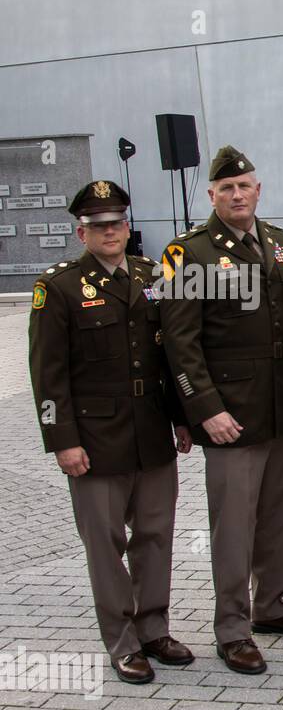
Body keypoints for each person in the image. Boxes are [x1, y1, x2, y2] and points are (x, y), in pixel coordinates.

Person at [161, 145, 283, 675]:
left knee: (278, 518)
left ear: (259, 190)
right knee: (232, 527)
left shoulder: (281, 244)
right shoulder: (188, 254)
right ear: (212, 195)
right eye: (226, 188)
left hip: (281, 408)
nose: (237, 194)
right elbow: (179, 341)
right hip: (229, 414)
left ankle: (271, 606)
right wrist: (203, 408)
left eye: (245, 186)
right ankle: (231, 628)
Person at [28, 180, 193, 683]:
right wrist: (63, 442)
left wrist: (182, 420)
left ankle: (153, 629)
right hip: (94, 440)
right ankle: (122, 641)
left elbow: (169, 355)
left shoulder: (151, 275)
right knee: (106, 544)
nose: (110, 232)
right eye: (98, 226)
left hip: (151, 431)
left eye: (117, 223)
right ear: (81, 232)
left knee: (155, 537)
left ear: (127, 225)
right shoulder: (56, 287)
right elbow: (47, 375)